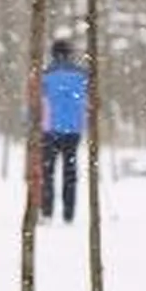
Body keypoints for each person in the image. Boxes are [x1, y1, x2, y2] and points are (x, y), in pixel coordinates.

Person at [39, 37, 89, 223]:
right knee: (70, 172)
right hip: (73, 130)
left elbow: (39, 101)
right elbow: (87, 100)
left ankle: (47, 212)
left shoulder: (46, 75)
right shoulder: (81, 75)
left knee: (48, 172)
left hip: (50, 129)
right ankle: (68, 214)